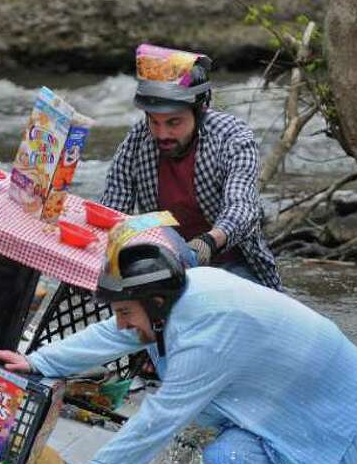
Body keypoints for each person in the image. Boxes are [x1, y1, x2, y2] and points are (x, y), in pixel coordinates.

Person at [0, 242, 357, 464]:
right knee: (228, 461)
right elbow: (115, 333)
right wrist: (38, 362)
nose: (122, 323)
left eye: (126, 311)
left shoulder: (210, 331)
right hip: (285, 404)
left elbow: (162, 416)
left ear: (156, 304)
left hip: (344, 413)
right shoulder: (177, 295)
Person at [100, 47, 281, 290]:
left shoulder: (233, 138)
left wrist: (209, 241)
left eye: (174, 122)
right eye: (154, 121)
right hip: (164, 263)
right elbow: (114, 208)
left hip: (231, 263)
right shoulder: (138, 140)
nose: (162, 134)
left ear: (201, 110)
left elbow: (243, 206)